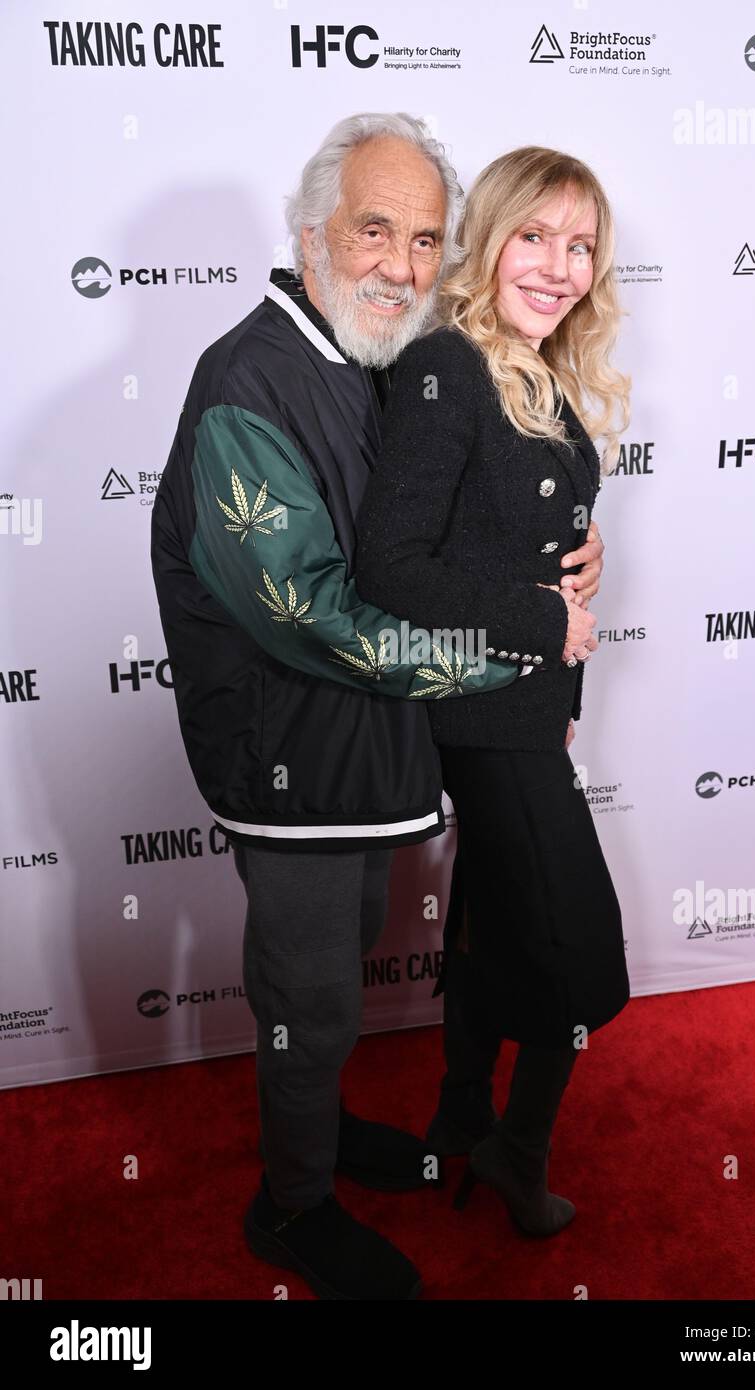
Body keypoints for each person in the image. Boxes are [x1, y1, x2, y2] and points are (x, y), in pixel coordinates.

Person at [151, 115, 605, 1298]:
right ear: (309, 236)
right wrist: (519, 654)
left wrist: (557, 561)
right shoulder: (246, 380)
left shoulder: (370, 354)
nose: (401, 265)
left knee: (337, 975)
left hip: (361, 754)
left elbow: (437, 533)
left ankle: (322, 1134)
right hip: (287, 756)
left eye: (422, 238)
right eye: (372, 230)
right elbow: (312, 612)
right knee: (306, 986)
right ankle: (289, 1207)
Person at [356, 145, 631, 1238]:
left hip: (528, 711)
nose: (560, 267)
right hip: (479, 713)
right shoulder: (448, 368)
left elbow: (519, 534)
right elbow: (390, 565)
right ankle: (515, 1155)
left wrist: (579, 559)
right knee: (578, 959)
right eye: (537, 236)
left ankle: (461, 1122)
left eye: (581, 247)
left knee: (489, 930)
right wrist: (541, 618)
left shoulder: (534, 365)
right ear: (492, 236)